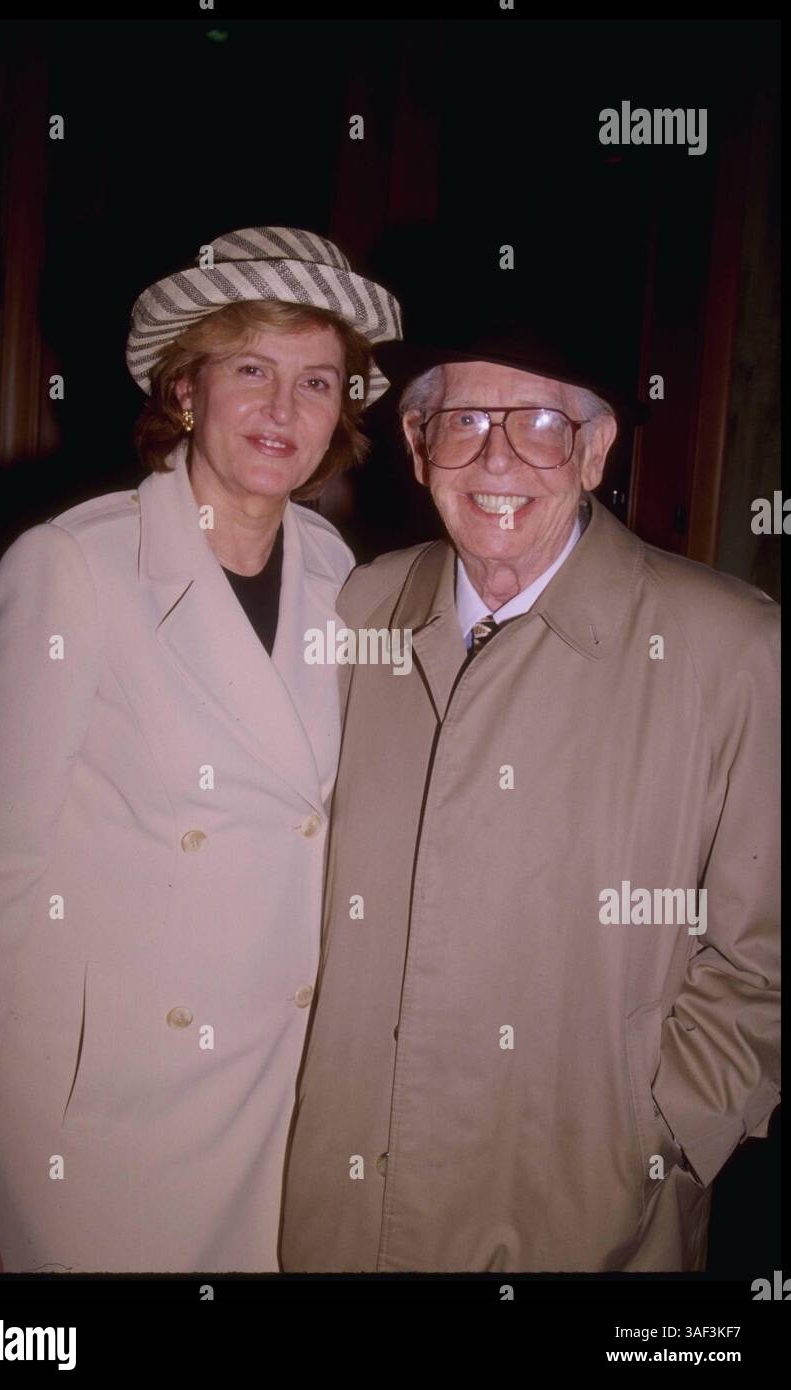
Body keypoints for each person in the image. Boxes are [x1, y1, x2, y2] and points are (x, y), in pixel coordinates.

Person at [0, 225, 401, 1273]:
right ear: (186, 388)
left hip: (272, 1095)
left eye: (317, 381)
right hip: (106, 1115)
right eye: (252, 370)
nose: (283, 410)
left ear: (342, 414)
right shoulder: (75, 568)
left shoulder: (342, 572)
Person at [279, 318, 780, 1273]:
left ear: (594, 452)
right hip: (346, 1210)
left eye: (541, 423)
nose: (497, 456)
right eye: (463, 419)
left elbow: (764, 959)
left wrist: (664, 1129)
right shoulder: (361, 611)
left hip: (588, 1224)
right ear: (420, 449)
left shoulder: (731, 647)